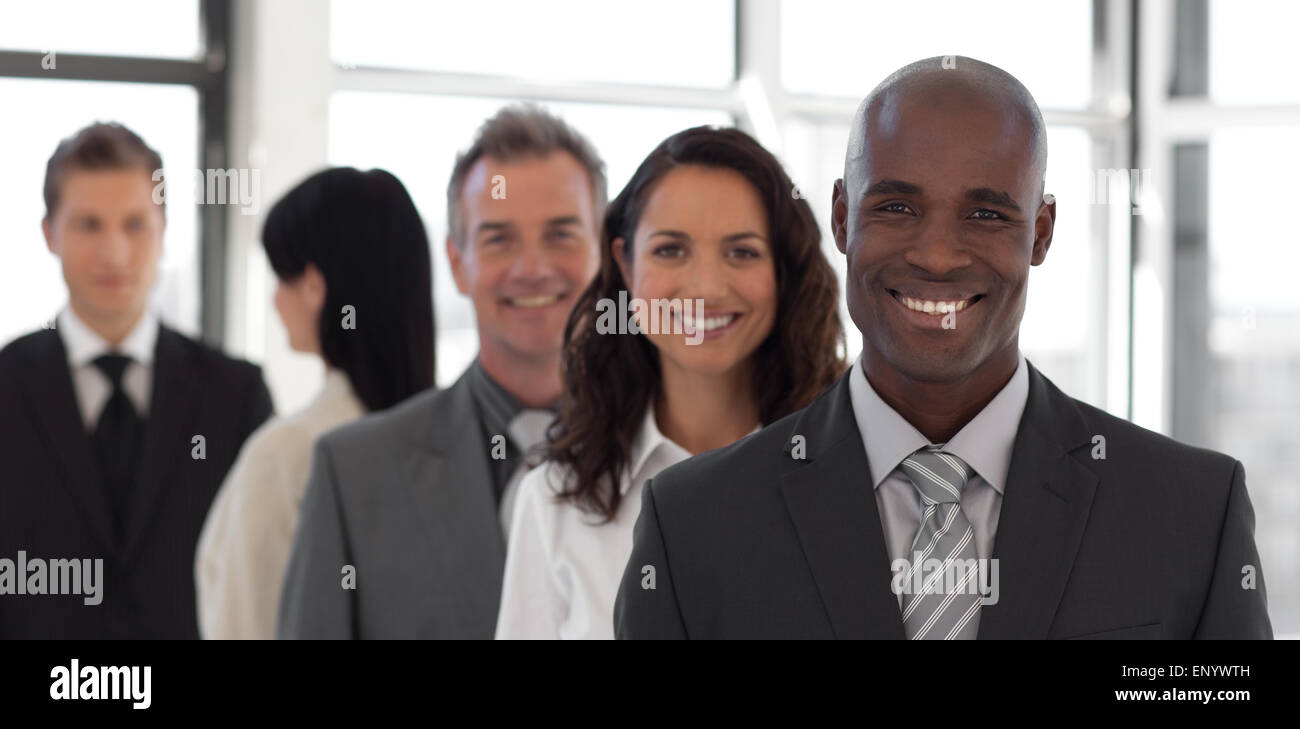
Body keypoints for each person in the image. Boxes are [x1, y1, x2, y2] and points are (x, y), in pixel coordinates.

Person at [614, 57, 1273, 640]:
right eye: (897, 207)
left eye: (985, 214)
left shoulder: (1192, 512)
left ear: (1041, 232)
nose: (935, 254)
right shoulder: (692, 526)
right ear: (842, 217)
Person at [495, 127, 846, 639]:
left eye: (742, 252)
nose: (706, 287)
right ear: (624, 263)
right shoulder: (554, 501)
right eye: (670, 250)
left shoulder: (851, 476)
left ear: (783, 272)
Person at [277, 105, 603, 638]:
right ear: (457, 263)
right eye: (499, 238)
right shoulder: (354, 471)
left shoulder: (670, 463)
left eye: (561, 234)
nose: (533, 268)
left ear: (603, 255)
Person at [0, 122, 273, 638]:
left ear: (164, 230)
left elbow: (264, 579)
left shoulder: (236, 397)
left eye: (134, 224)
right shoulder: (6, 390)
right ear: (49, 234)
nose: (114, 252)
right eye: (88, 225)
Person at [195, 167, 436, 639]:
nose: (275, 300)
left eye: (282, 276)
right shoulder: (456, 445)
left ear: (314, 284)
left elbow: (244, 628)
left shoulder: (289, 454)